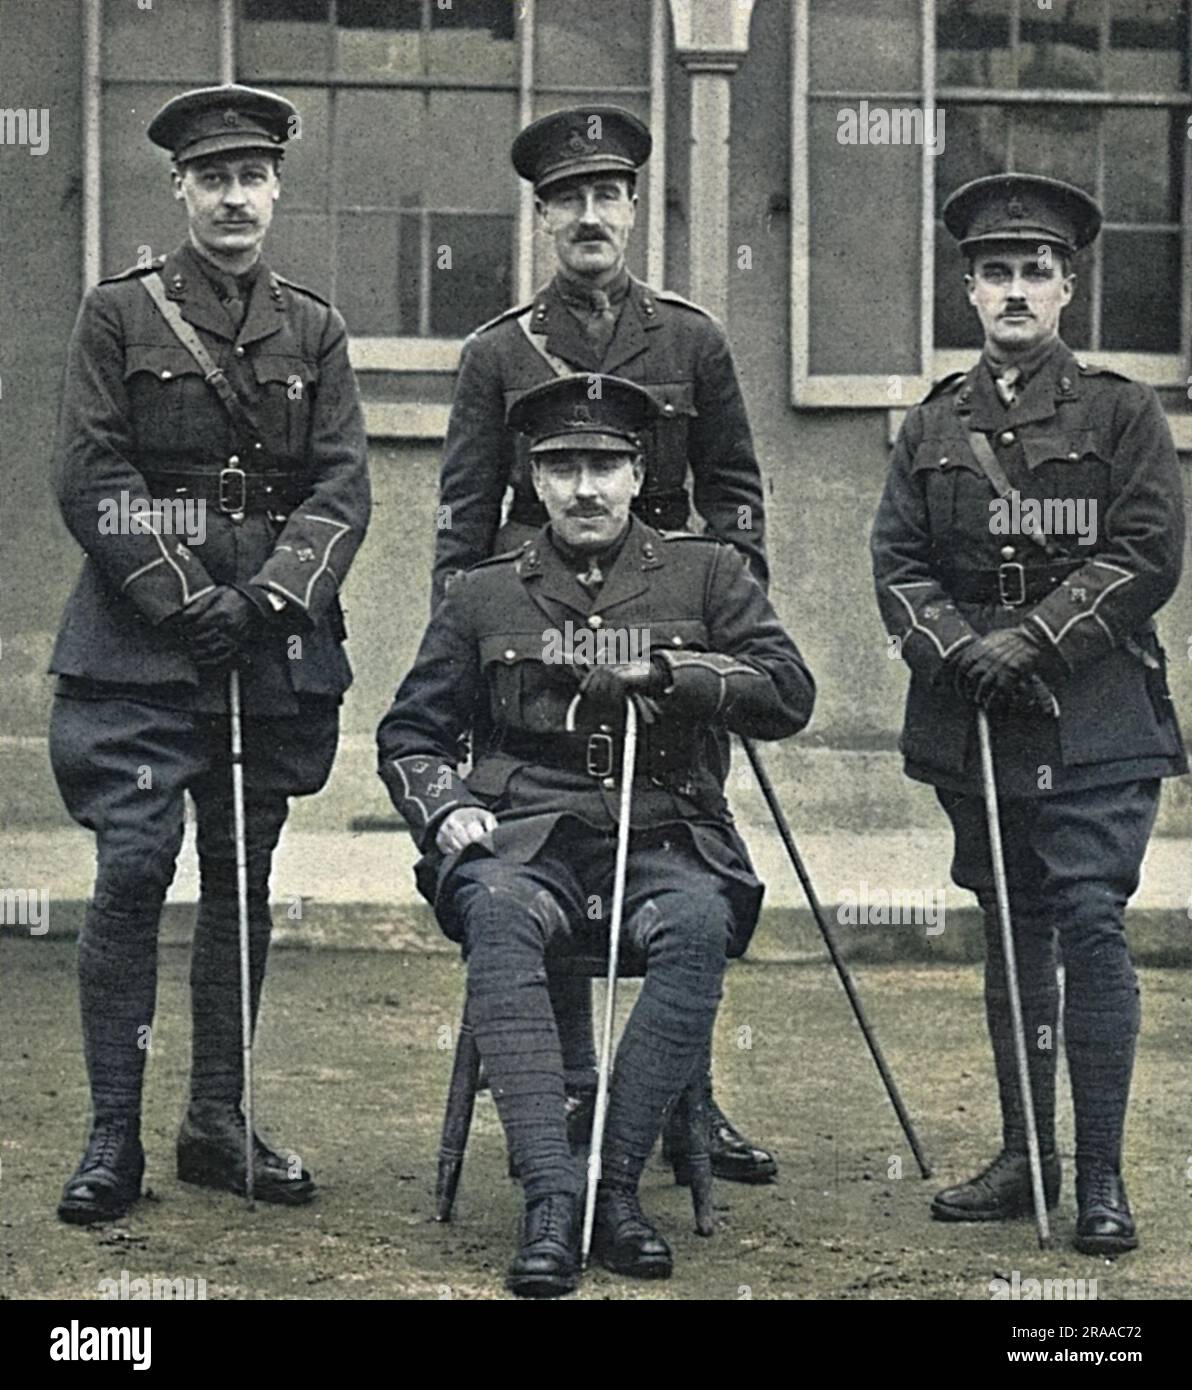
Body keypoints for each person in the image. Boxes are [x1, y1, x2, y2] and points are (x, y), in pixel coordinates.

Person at [379, 374, 813, 1296]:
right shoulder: (484, 595)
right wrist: (446, 807)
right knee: (497, 917)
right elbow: (410, 733)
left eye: (605, 465)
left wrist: (681, 675)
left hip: (664, 835)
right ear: (534, 482)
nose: (585, 487)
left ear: (639, 472)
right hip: (524, 838)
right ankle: (550, 1194)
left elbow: (787, 693)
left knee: (697, 926)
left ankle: (616, 1190)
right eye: (563, 467)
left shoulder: (706, 574)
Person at [433, 103, 776, 1185]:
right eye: (568, 200)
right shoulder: (498, 351)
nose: (590, 216)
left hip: (666, 630)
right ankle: (575, 1083)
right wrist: (480, 638)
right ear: (541, 218)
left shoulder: (690, 338)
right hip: (533, 641)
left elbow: (736, 494)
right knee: (552, 829)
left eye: (607, 195)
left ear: (632, 210)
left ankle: (685, 1102)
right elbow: (461, 515)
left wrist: (715, 617)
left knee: (674, 837)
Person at [49, 83, 371, 1224]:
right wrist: (188, 601)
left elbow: (340, 485)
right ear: (179, 191)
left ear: (276, 191)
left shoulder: (315, 329)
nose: (234, 198)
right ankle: (111, 1135)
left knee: (243, 884)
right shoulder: (119, 315)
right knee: (133, 874)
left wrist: (270, 598)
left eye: (252, 178)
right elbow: (91, 474)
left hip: (267, 651)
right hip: (142, 653)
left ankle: (217, 1121)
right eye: (212, 179)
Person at [871, 174, 1185, 1255]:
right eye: (995, 272)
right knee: (1010, 931)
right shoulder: (929, 426)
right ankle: (1025, 1156)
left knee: (1089, 920)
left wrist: (1035, 636)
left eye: (1034, 273)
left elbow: (1144, 553)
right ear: (967, 289)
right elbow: (898, 566)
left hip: (1091, 716)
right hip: (977, 718)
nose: (1014, 290)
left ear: (1065, 289)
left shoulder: (1120, 411)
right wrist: (967, 651)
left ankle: (1099, 1176)